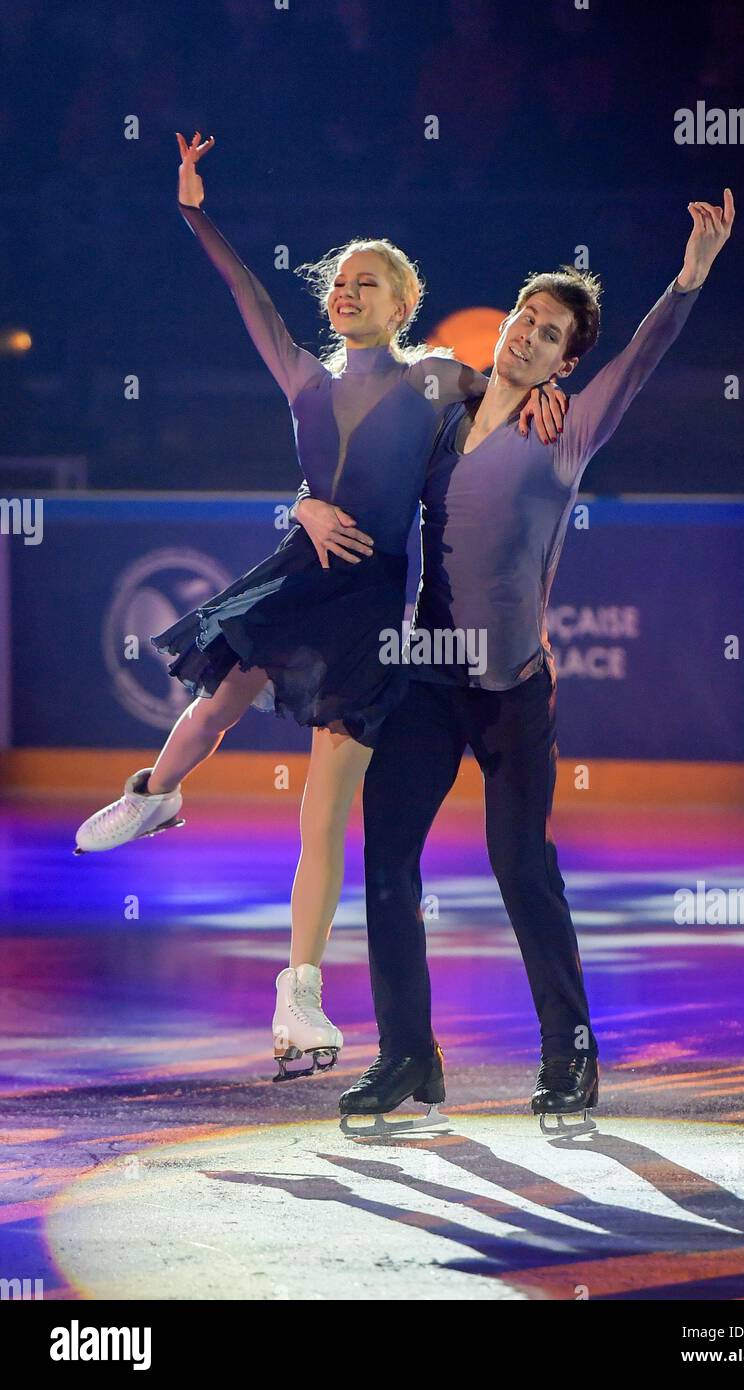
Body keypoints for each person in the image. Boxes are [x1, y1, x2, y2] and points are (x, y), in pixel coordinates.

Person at [74, 131, 565, 1081]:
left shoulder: (434, 377)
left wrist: (542, 395)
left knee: (324, 812)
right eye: (340, 282)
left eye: (367, 283)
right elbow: (247, 296)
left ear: (402, 305)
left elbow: (506, 390)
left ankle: (298, 994)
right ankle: (154, 794)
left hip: (371, 598)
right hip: (303, 567)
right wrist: (193, 211)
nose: (347, 292)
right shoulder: (303, 375)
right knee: (213, 702)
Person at [334, 189, 735, 1124]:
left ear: (565, 362)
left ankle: (572, 1053)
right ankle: (407, 1056)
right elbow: (360, 410)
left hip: (513, 692)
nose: (528, 335)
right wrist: (311, 498)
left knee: (521, 869)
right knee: (386, 857)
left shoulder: (569, 430)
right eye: (525, 317)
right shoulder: (443, 405)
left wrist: (688, 279)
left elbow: (641, 360)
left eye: (550, 335)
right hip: (431, 674)